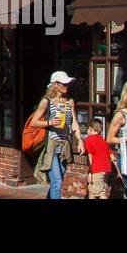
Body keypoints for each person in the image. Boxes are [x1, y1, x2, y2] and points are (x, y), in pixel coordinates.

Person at [27, 70, 84, 199]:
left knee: (57, 182)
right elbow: (34, 122)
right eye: (63, 83)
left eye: (68, 84)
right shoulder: (46, 102)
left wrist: (80, 140)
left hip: (65, 146)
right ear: (55, 84)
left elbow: (74, 122)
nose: (66, 86)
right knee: (57, 182)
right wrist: (50, 122)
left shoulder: (70, 102)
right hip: (51, 146)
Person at [83, 119, 112, 199]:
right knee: (95, 189)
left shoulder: (88, 140)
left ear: (90, 129)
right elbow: (109, 153)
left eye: (87, 129)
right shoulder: (103, 140)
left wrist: (91, 171)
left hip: (97, 169)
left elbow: (90, 156)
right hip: (105, 169)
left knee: (96, 193)